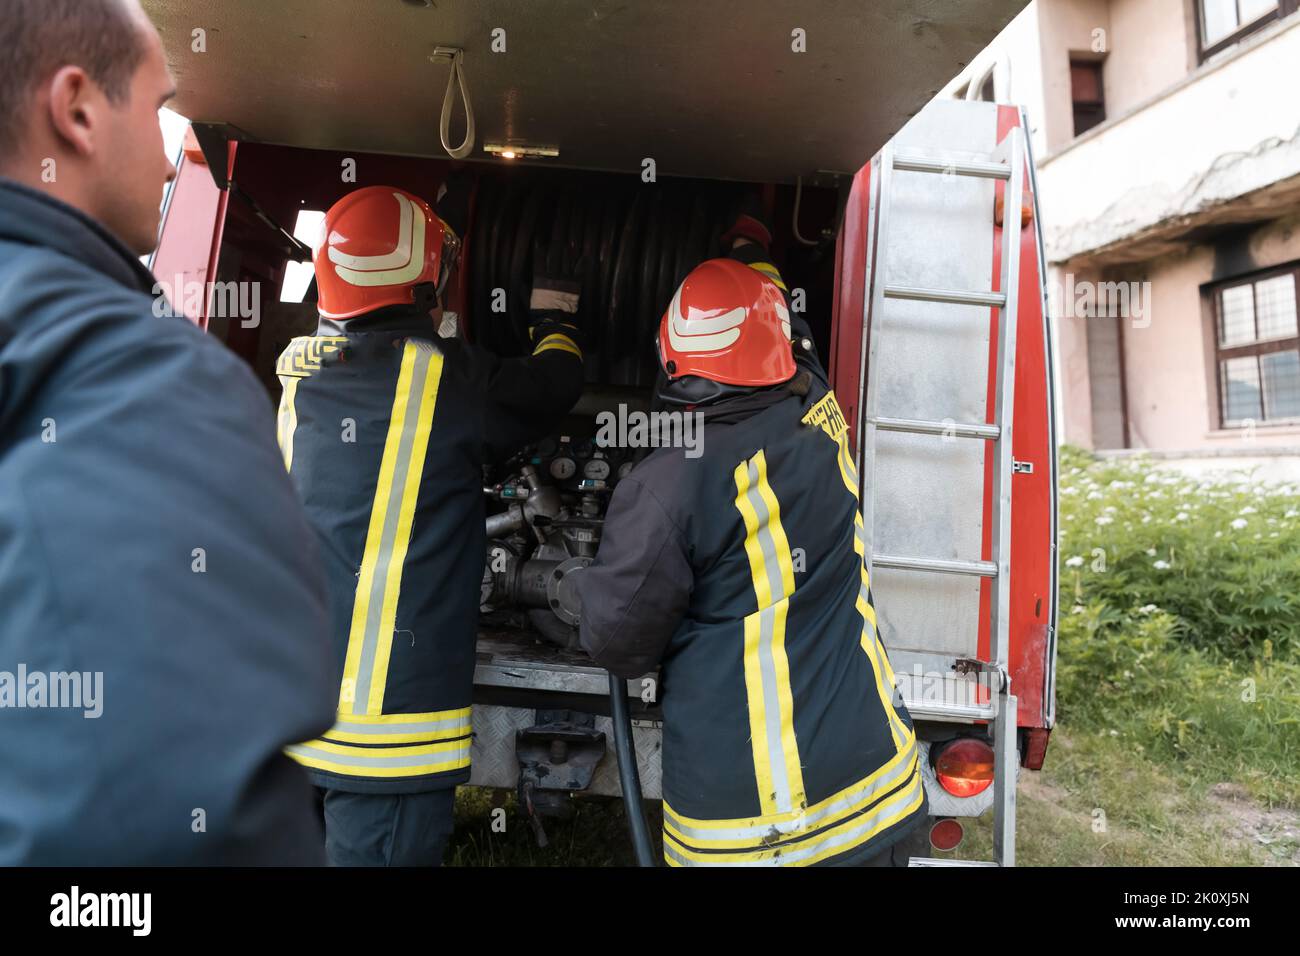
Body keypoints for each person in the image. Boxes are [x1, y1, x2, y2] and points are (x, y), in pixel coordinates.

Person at [0, 0, 337, 864]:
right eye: (157, 112)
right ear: (76, 111)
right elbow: (171, 809)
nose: (166, 160)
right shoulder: (145, 384)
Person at [577, 204, 930, 866]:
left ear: (670, 358)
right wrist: (753, 251)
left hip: (750, 832)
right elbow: (792, 341)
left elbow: (618, 644)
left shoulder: (666, 486)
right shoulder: (820, 413)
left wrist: (580, 587)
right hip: (875, 792)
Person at [276, 183, 585, 866]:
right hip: (387, 738)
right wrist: (556, 319)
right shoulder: (451, 380)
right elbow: (551, 388)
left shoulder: (300, 377)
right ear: (421, 289)